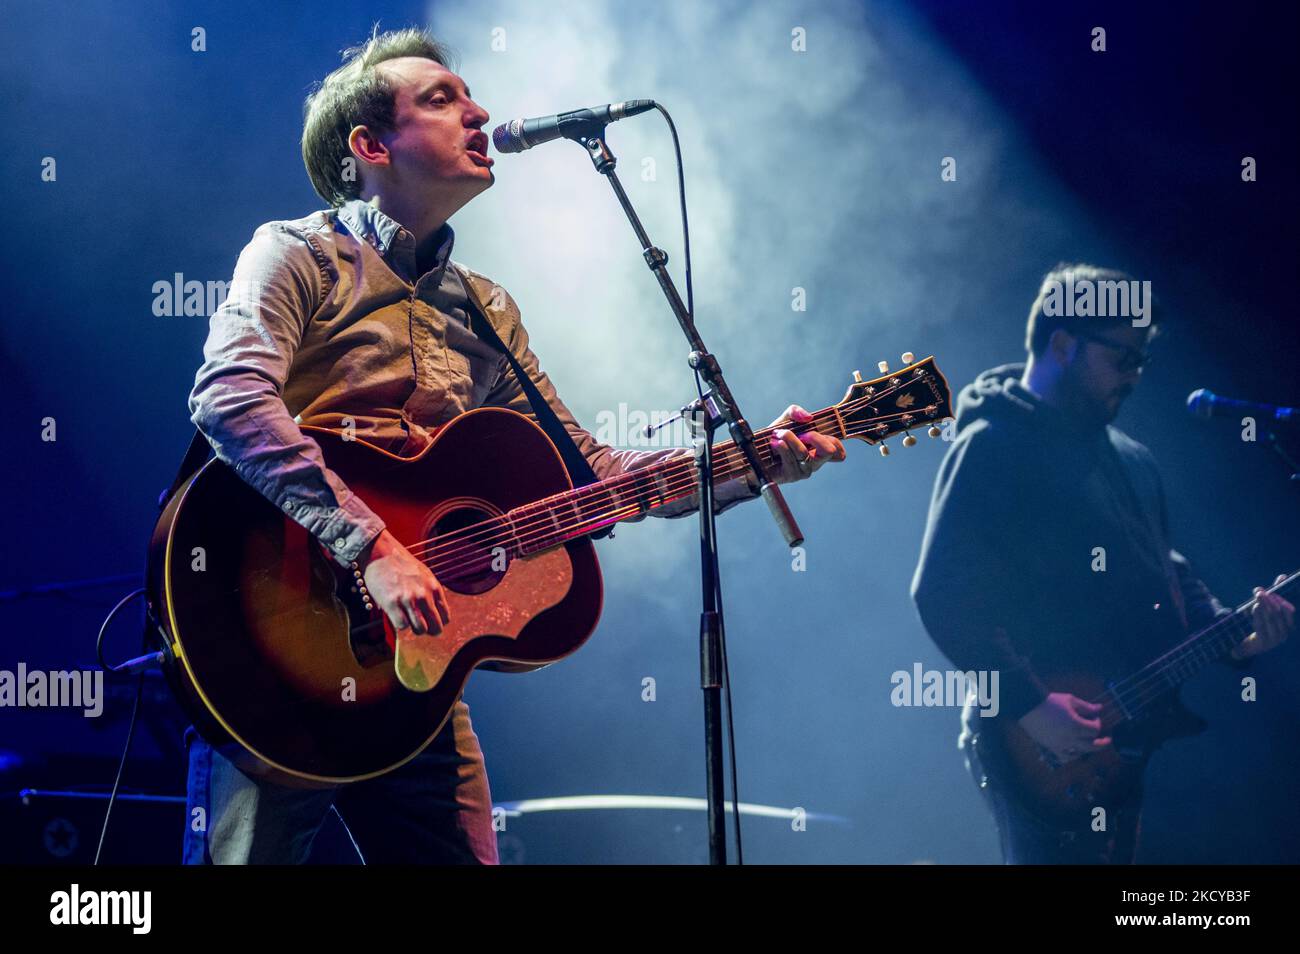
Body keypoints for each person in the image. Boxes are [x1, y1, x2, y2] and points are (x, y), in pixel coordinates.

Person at [181, 26, 845, 865]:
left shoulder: (487, 310)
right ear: (370, 146)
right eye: (442, 99)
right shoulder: (297, 255)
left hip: (418, 669)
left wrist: (755, 464)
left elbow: (591, 473)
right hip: (274, 633)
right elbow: (228, 394)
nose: (479, 110)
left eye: (467, 95)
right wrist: (374, 546)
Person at [910, 263, 1293, 864]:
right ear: (1064, 343)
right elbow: (943, 592)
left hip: (1129, 738)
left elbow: (1165, 568)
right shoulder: (994, 446)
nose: (1136, 376)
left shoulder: (1132, 459)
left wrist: (1233, 633)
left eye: (1142, 361)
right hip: (1037, 740)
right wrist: (1030, 705)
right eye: (1124, 358)